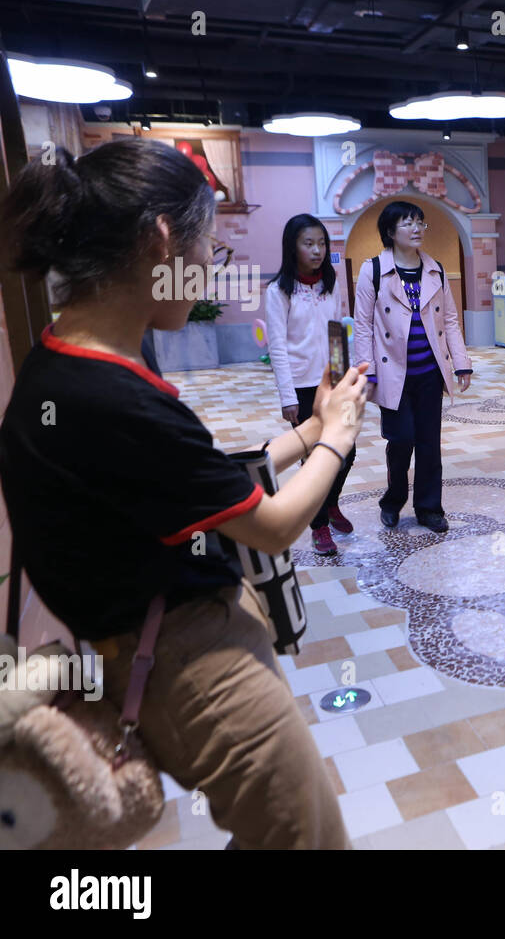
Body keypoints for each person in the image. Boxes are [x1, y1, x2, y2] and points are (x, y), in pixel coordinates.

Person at [0, 138, 369, 849]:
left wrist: (312, 426)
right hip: (191, 663)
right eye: (209, 250)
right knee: (307, 839)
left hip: (145, 643)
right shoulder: (115, 397)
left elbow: (203, 478)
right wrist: (339, 437)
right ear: (160, 241)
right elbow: (274, 523)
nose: (207, 272)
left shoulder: (64, 365)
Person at [353, 200, 471, 532]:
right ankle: (392, 500)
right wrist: (368, 370)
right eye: (408, 223)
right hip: (393, 374)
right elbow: (363, 325)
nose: (417, 228)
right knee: (401, 439)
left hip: (429, 373)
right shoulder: (373, 270)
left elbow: (449, 320)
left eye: (420, 222)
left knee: (429, 443)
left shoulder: (436, 269)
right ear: (390, 232)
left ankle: (429, 508)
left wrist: (460, 363)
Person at [265, 213, 355, 555]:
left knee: (347, 451)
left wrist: (342, 377)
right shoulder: (278, 291)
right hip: (301, 387)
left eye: (321, 244)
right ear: (293, 247)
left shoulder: (330, 284)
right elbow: (277, 346)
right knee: (314, 457)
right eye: (308, 244)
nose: (316, 250)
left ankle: (330, 503)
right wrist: (288, 396)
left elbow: (336, 332)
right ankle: (318, 526)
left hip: (330, 382)